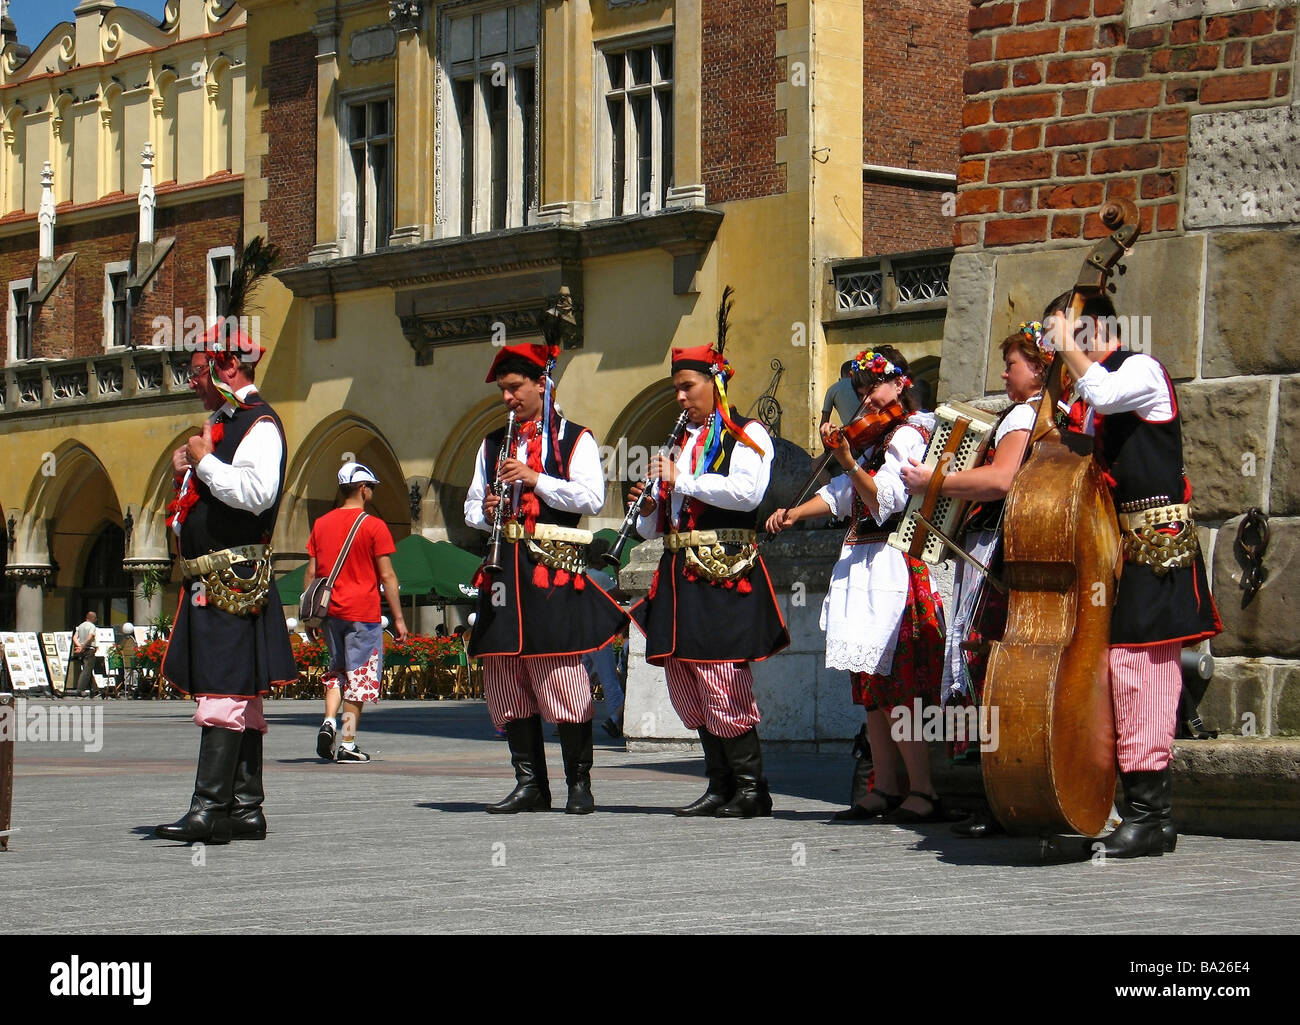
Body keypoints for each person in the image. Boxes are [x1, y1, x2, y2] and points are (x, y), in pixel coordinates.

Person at [1051, 293, 1221, 858]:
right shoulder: (1097, 385)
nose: (1061, 348)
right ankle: (1148, 814)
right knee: (1123, 668)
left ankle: (1150, 815)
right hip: (1121, 548)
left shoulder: (1140, 370)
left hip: (1158, 545)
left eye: (1071, 334)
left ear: (1093, 329)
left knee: (1141, 667)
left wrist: (1067, 346)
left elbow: (1099, 390)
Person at [766, 347, 945, 824]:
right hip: (862, 563)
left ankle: (923, 790)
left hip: (893, 565)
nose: (865, 395)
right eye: (860, 387)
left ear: (900, 383)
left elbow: (884, 499)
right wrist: (795, 513)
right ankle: (884, 785)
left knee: (899, 686)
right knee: (870, 688)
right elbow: (843, 496)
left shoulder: (909, 432)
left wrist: (846, 460)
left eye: (873, 385)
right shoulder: (875, 438)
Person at [630, 312, 790, 819]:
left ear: (713, 383)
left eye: (687, 387)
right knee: (687, 678)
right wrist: (651, 510)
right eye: (676, 389)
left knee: (721, 674)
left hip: (724, 570)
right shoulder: (678, 443)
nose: (680, 398)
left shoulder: (748, 433)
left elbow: (746, 495)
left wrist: (684, 480)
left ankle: (751, 788)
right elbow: (663, 525)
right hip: (680, 571)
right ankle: (719, 784)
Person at [465, 342, 630, 814]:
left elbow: (592, 499)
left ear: (542, 384)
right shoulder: (491, 443)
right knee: (503, 673)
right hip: (502, 569)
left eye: (515, 388)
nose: (507, 399)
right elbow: (470, 505)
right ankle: (530, 785)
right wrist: (486, 511)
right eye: (503, 391)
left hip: (551, 570)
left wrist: (536, 479)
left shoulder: (574, 438)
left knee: (559, 673)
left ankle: (579, 783)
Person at [899, 325, 1052, 836]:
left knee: (986, 664)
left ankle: (999, 800)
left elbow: (1001, 479)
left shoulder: (1026, 414)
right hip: (1014, 547)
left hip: (996, 548)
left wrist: (932, 481)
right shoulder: (1047, 416)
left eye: (1012, 364)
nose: (1005, 373)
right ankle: (1003, 795)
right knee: (992, 668)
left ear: (1039, 366)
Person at [155, 326, 296, 844]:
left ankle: (209, 810)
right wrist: (185, 474)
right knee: (240, 693)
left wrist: (205, 463)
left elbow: (257, 494)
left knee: (223, 688)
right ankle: (245, 807)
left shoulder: (259, 424)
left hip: (231, 578)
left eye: (198, 371)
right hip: (212, 578)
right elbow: (202, 505)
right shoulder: (222, 422)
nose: (194, 382)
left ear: (227, 367)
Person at [303, 462, 408, 763]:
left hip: (330, 612)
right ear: (363, 489)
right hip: (363, 612)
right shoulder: (374, 525)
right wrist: (398, 618)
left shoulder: (321, 524)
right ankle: (347, 741)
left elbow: (311, 573)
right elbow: (387, 577)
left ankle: (328, 721)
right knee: (359, 678)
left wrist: (311, 615)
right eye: (371, 487)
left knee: (337, 671)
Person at [69, 611, 99, 697]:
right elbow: (90, 637)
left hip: (82, 650)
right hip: (89, 649)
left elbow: (74, 638)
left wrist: (80, 646)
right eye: (95, 618)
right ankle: (80, 689)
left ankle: (94, 689)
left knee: (87, 669)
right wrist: (84, 646)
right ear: (92, 618)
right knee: (87, 670)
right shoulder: (92, 626)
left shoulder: (80, 626)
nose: (96, 620)